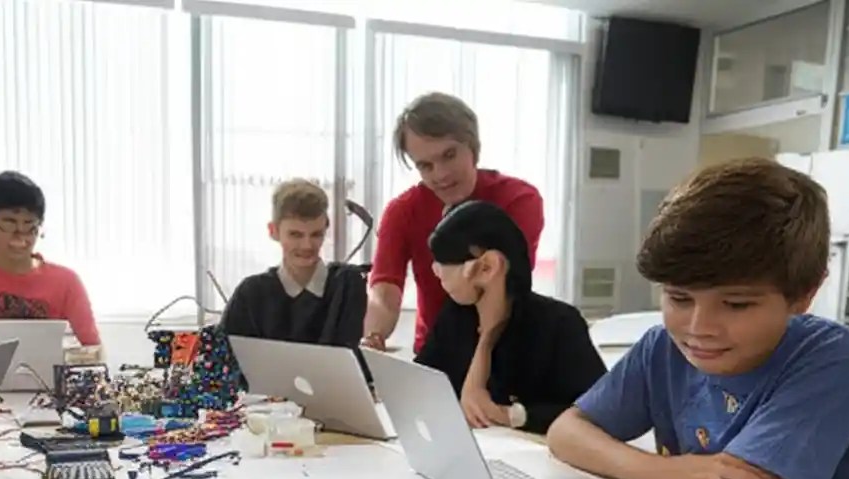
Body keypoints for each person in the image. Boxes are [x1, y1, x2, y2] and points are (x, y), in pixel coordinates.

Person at [548, 158, 849, 479]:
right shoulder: (663, 347)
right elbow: (565, 431)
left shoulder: (838, 357)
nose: (699, 328)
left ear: (804, 295)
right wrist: (661, 473)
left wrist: (658, 474)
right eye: (679, 299)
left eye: (736, 304)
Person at [363, 92, 544, 354]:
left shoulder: (519, 199)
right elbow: (385, 292)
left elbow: (501, 285)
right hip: (436, 356)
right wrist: (372, 336)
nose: (441, 175)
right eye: (425, 165)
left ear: (472, 146)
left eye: (449, 155)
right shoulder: (402, 211)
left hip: (504, 350)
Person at [415, 201, 603, 435]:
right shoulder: (456, 315)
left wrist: (513, 415)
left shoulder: (558, 324)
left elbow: (599, 408)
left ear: (487, 267)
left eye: (445, 262)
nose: (437, 271)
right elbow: (421, 378)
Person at [0, 171, 101, 347]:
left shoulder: (66, 281)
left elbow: (92, 346)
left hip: (49, 373)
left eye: (29, 226)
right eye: (9, 224)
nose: (20, 238)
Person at [219, 179, 366, 349]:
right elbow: (223, 362)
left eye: (316, 234)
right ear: (273, 231)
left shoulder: (348, 284)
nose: (307, 245)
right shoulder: (251, 294)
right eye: (295, 235)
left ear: (326, 228)